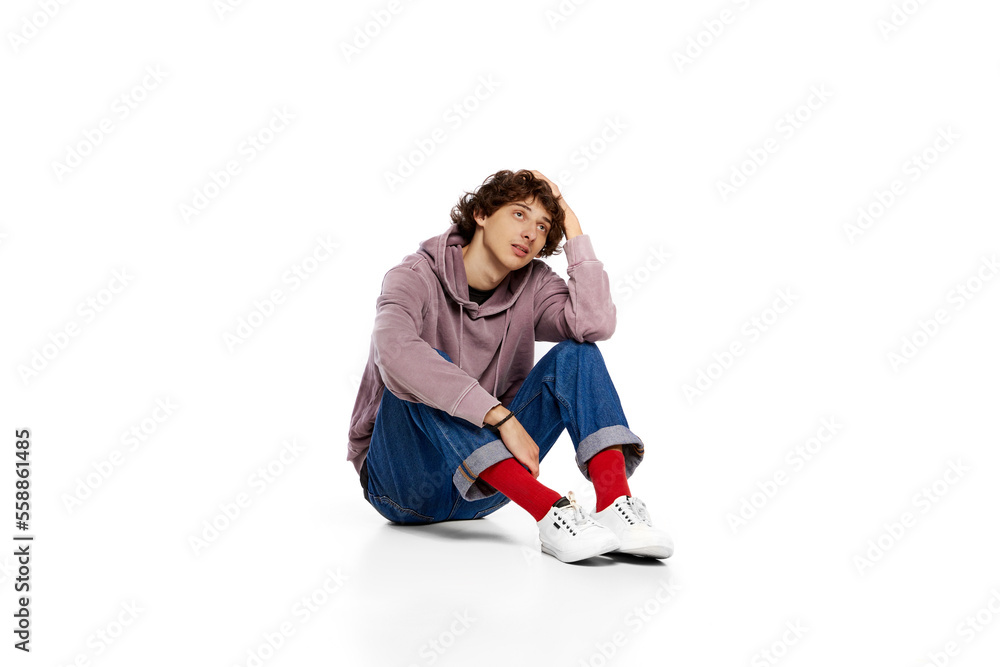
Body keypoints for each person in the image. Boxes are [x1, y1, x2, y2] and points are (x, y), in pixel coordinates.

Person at [347, 169, 673, 563]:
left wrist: (571, 224)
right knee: (420, 371)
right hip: (404, 487)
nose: (531, 233)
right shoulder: (414, 276)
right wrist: (501, 418)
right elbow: (394, 352)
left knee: (578, 354)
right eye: (519, 214)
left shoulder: (533, 283)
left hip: (488, 486)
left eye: (543, 225)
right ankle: (550, 510)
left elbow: (594, 324)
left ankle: (615, 504)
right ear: (482, 214)